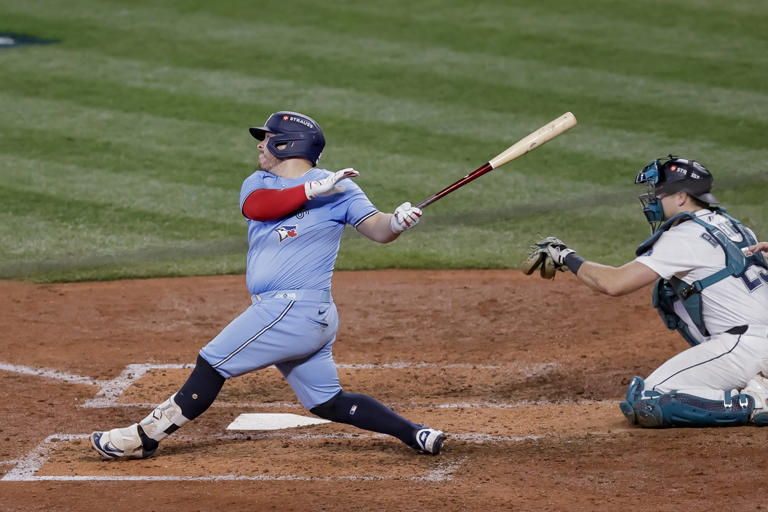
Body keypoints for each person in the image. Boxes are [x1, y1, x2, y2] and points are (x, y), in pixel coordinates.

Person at [90, 110, 445, 458]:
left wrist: (397, 222)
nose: (260, 146)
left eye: (268, 139)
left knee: (213, 363)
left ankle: (143, 438)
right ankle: (416, 434)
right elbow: (258, 208)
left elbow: (377, 229)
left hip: (292, 309)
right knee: (328, 403)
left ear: (290, 144)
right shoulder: (261, 183)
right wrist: (310, 190)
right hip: (297, 314)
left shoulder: (341, 189)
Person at [524, 155, 768, 428]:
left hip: (744, 347)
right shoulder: (735, 226)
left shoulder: (685, 234)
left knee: (648, 399)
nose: (653, 199)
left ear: (681, 197)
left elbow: (614, 283)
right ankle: (759, 381)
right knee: (672, 295)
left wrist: (564, 255)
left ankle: (756, 401)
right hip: (759, 340)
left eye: (660, 193)